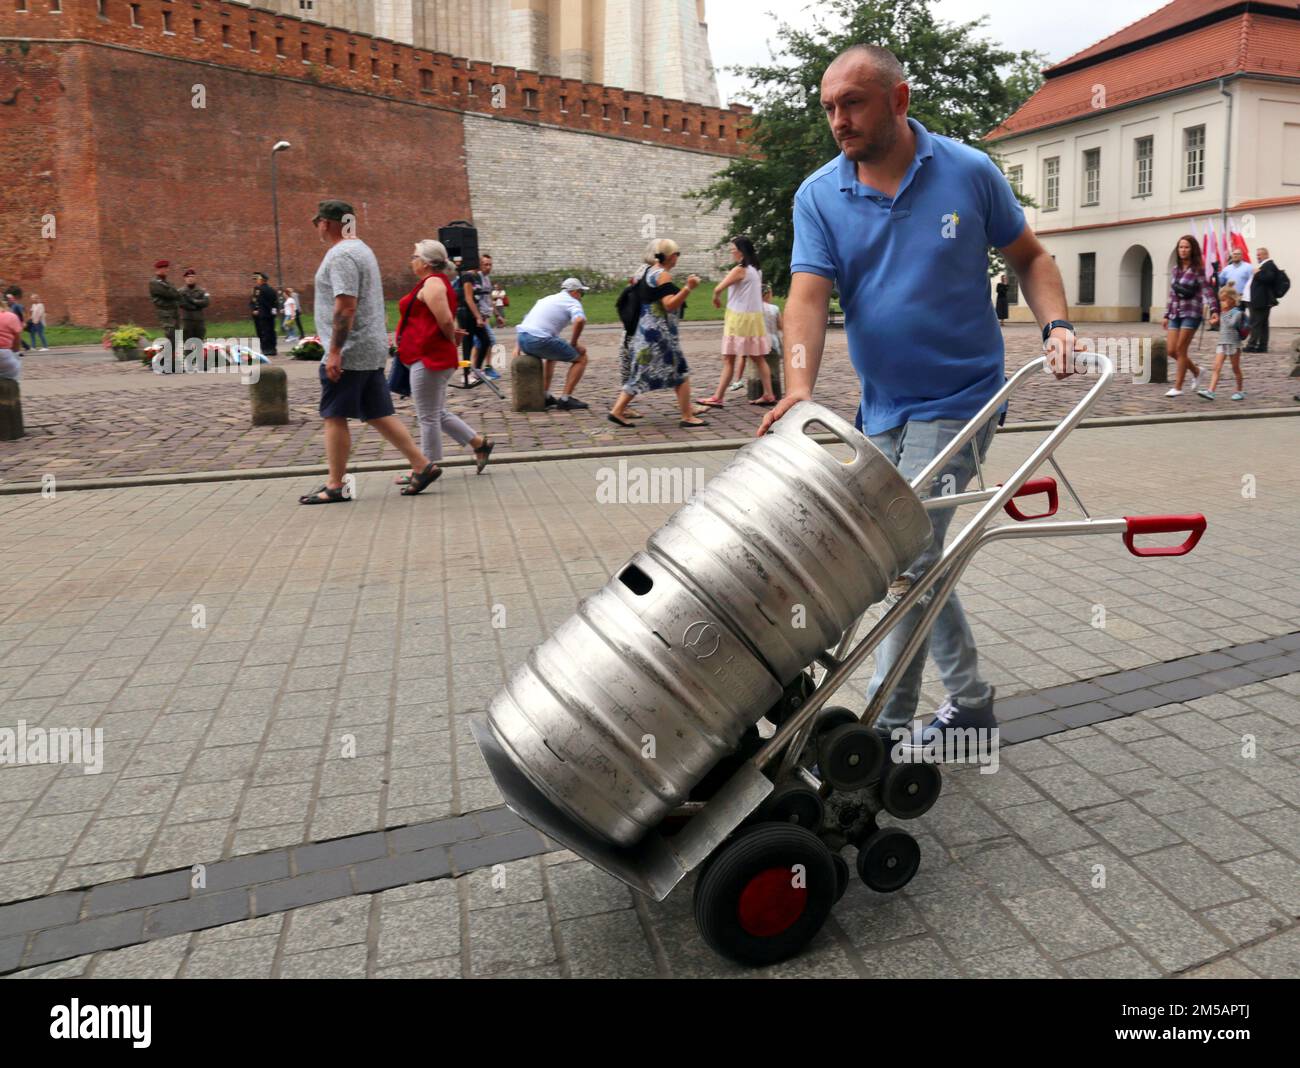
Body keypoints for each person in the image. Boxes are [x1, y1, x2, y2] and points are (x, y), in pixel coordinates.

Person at [761, 43, 1084, 748]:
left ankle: (881, 733)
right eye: (828, 108)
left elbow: (1029, 256)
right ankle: (970, 703)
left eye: (852, 103)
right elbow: (808, 299)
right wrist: (798, 389)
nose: (838, 121)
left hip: (963, 395)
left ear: (898, 99)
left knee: (903, 558)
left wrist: (1055, 323)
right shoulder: (819, 194)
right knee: (906, 559)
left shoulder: (967, 172)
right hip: (880, 408)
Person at [299, 199, 440, 504]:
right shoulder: (363, 249)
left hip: (352, 349)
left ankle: (335, 485)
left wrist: (335, 351)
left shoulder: (342, 255)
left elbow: (346, 305)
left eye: (318, 221)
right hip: (370, 345)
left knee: (334, 415)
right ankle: (422, 465)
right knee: (377, 412)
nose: (317, 227)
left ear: (328, 222)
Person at [394, 239, 495, 482]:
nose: (412, 260)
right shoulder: (433, 282)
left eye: (415, 256)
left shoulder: (432, 284)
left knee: (427, 415)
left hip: (429, 356)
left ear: (426, 263)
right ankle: (480, 444)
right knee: (436, 412)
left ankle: (424, 468)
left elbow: (446, 320)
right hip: (426, 354)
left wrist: (450, 339)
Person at [607, 238, 708, 430]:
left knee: (669, 374)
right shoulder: (663, 275)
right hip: (660, 335)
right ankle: (686, 416)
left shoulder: (648, 271)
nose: (678, 258)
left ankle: (686, 412)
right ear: (672, 256)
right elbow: (669, 305)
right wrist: (688, 287)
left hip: (646, 332)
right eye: (678, 254)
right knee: (679, 373)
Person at [698, 236, 774, 409]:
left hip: (739, 318)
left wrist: (716, 297)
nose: (731, 251)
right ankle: (769, 393)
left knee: (728, 359)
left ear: (740, 250)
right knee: (758, 358)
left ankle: (718, 397)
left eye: (733, 248)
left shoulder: (740, 269)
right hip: (754, 318)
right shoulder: (756, 270)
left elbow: (719, 288)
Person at [515, 278, 591, 409]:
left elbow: (527, 322)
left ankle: (545, 396)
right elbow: (579, 320)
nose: (581, 297)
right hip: (539, 340)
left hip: (523, 339)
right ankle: (566, 399)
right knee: (581, 359)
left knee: (551, 356)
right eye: (581, 293)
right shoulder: (573, 302)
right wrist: (574, 344)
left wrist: (517, 346)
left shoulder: (546, 299)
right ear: (574, 292)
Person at [1161, 235, 1214, 397]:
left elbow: (1207, 290)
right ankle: (1197, 371)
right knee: (1171, 350)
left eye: (1186, 247)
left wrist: (1215, 310)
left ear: (1192, 250)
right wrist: (1166, 314)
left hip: (1192, 312)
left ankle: (1178, 387)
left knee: (1181, 349)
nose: (1183, 250)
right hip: (1175, 312)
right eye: (1181, 247)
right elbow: (1172, 294)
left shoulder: (1198, 269)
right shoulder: (1176, 270)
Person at [1197, 284, 1246, 402]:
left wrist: (1222, 316)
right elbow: (1223, 327)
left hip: (1233, 344)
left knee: (1235, 368)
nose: (1221, 303)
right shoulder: (1223, 313)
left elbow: (1231, 324)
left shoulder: (1237, 313)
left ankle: (1239, 391)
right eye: (1221, 301)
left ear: (1232, 300)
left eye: (1224, 300)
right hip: (1222, 343)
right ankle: (1211, 391)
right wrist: (1215, 323)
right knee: (1216, 367)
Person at [470, 253, 503, 379]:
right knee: (489, 341)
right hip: (478, 318)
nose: (488, 267)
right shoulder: (476, 278)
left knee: (479, 344)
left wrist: (497, 315)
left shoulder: (487, 279)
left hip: (484, 317)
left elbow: (488, 298)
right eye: (485, 264)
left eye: (490, 264)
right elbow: (472, 298)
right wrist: (477, 316)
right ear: (480, 265)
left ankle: (474, 369)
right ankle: (484, 369)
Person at [1246, 247, 1283, 353]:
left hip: (1262, 300)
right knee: (1262, 324)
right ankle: (1262, 346)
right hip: (1262, 300)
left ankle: (1252, 345)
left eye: (1259, 255)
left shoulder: (1269, 265)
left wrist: (1257, 273)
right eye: (1257, 255)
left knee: (1256, 323)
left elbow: (1269, 278)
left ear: (1266, 254)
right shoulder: (1266, 265)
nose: (1257, 257)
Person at [149, 262, 182, 340]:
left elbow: (177, 295)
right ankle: (170, 351)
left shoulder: (167, 282)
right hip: (165, 313)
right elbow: (171, 294)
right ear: (158, 270)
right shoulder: (154, 282)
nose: (167, 270)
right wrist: (175, 292)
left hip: (174, 312)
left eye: (167, 268)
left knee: (178, 336)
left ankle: (176, 352)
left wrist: (175, 293)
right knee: (171, 335)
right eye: (164, 268)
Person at [250, 271, 279, 358]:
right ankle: (273, 349)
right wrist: (273, 312)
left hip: (262, 315)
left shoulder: (259, 290)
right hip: (271, 315)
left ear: (261, 280)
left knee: (263, 332)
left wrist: (255, 310)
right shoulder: (272, 290)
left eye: (258, 279)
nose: (256, 281)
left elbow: (257, 302)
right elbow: (275, 303)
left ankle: (266, 349)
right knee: (271, 331)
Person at [179, 269, 209, 344]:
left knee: (199, 342)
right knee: (187, 343)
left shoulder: (202, 290)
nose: (190, 279)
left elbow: (206, 302)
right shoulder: (180, 291)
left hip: (199, 321)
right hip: (187, 321)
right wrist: (196, 305)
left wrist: (193, 301)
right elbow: (181, 303)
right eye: (188, 277)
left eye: (192, 276)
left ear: (195, 278)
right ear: (185, 279)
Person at [0, 302, 22, 380]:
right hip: (4, 355)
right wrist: (15, 354)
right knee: (13, 377)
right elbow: (17, 341)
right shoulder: (11, 316)